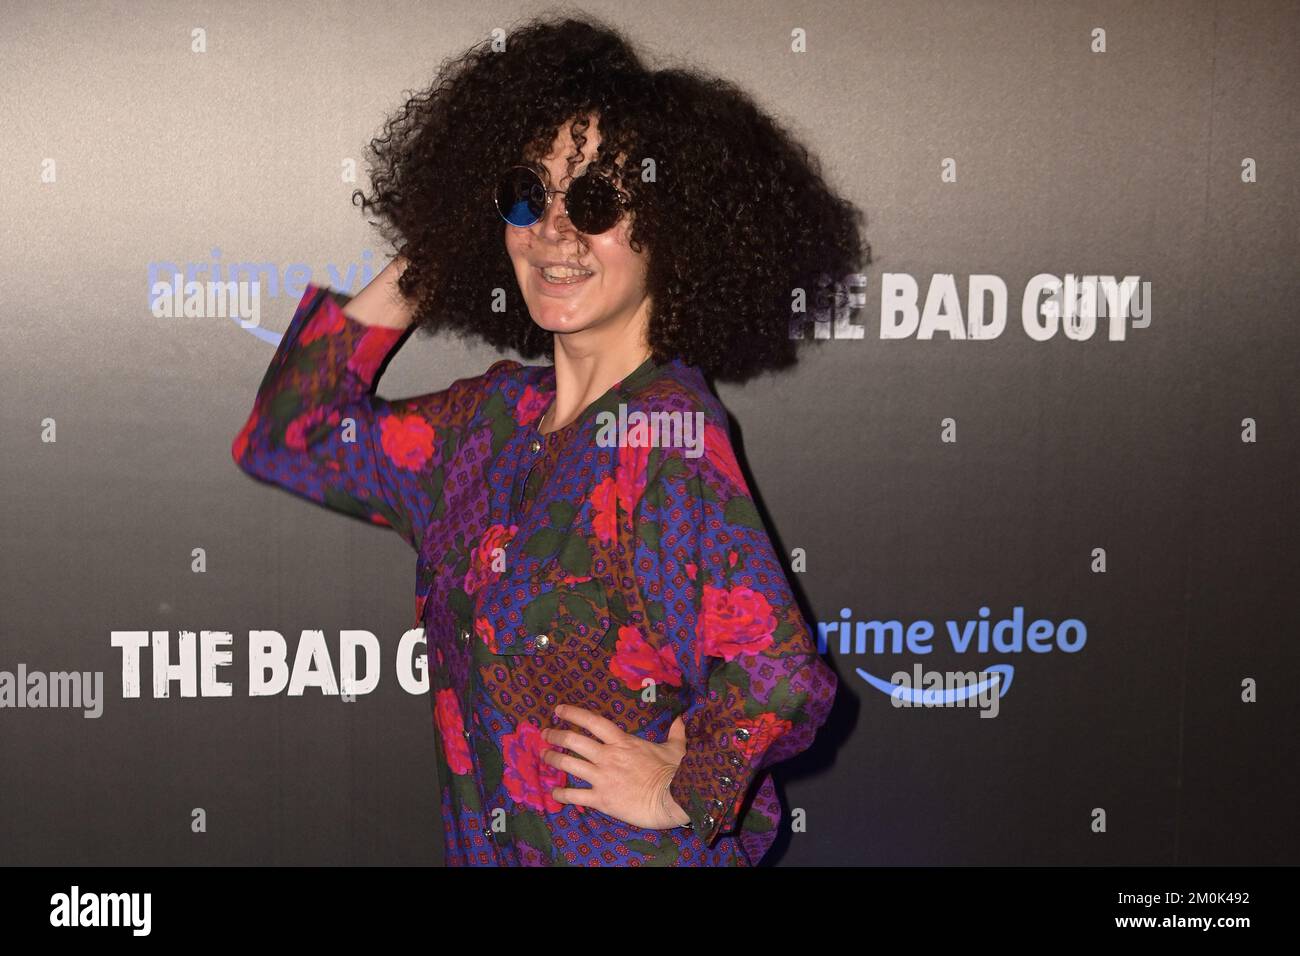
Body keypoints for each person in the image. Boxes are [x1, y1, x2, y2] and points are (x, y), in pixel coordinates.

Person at [232, 13, 867, 866]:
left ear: (669, 227)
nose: (556, 230)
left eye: (597, 201)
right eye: (528, 196)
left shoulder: (664, 437)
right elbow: (290, 434)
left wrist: (684, 790)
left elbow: (781, 674)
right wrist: (443, 244)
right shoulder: (485, 425)